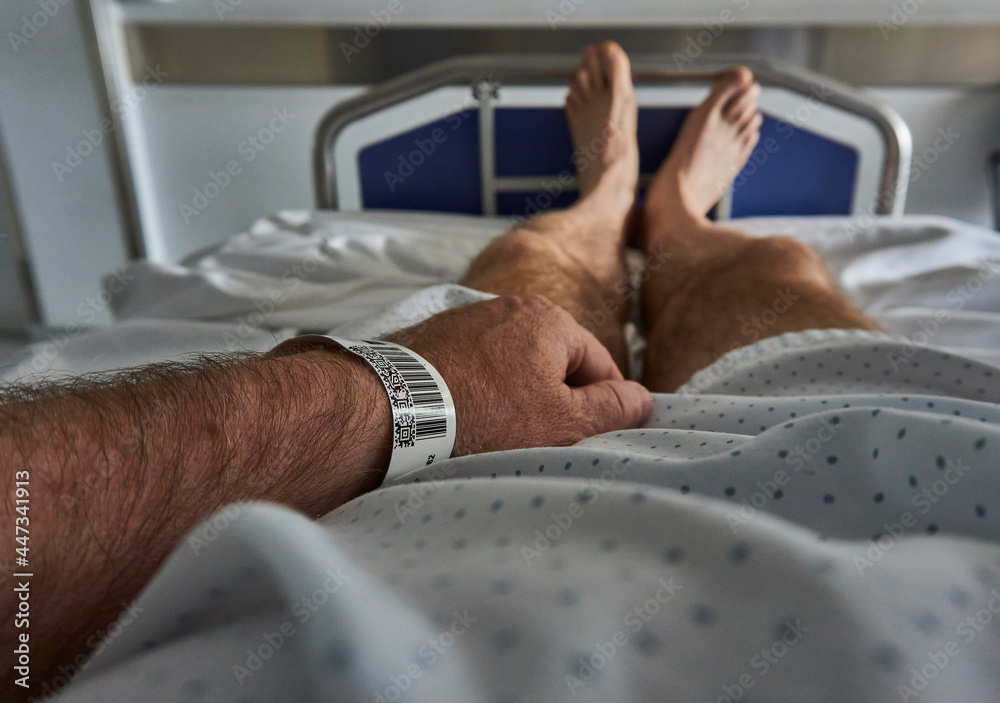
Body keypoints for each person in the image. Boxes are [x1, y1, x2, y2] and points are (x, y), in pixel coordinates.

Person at [3, 42, 999, 702]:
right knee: (773, 273)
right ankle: (677, 222)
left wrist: (410, 387)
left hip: (415, 506)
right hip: (907, 454)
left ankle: (605, 211)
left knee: (534, 292)